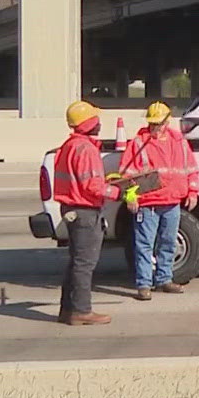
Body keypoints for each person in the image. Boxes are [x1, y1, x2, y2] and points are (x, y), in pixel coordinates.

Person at [118, 101, 199, 300]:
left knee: (168, 242)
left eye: (158, 124)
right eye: (152, 123)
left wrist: (193, 191)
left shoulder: (179, 142)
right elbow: (126, 175)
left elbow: (191, 168)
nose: (154, 127)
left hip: (172, 201)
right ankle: (144, 284)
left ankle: (164, 279)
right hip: (148, 204)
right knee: (144, 245)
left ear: (167, 121)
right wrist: (131, 198)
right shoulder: (138, 143)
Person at [53, 100, 118, 326]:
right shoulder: (86, 149)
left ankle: (68, 310)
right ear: (89, 123)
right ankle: (81, 311)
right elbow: (92, 186)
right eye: (96, 119)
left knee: (75, 262)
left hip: (72, 209)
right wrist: (117, 192)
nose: (100, 122)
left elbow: (81, 180)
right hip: (84, 211)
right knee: (84, 264)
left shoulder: (70, 145)